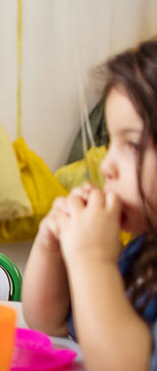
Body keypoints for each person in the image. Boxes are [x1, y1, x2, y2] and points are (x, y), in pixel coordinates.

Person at [22, 38, 157, 370]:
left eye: (133, 145)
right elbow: (49, 323)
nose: (107, 165)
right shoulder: (140, 254)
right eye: (111, 142)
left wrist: (92, 260)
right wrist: (51, 246)